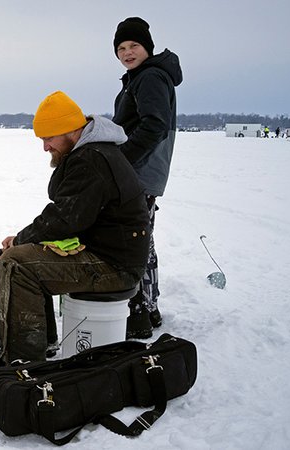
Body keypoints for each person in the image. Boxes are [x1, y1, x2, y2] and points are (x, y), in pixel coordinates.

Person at [0, 91, 150, 380]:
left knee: (17, 264)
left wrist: (20, 241)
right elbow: (70, 216)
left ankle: (22, 361)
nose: (45, 147)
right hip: (109, 255)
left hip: (115, 266)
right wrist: (28, 238)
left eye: (49, 138)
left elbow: (64, 218)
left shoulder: (91, 159)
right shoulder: (92, 151)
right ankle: (44, 343)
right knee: (28, 255)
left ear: (71, 130)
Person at [112, 17, 182, 339]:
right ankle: (148, 309)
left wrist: (121, 162)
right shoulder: (139, 78)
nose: (127, 52)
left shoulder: (150, 77)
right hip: (144, 174)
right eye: (121, 48)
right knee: (144, 242)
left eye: (134, 46)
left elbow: (154, 125)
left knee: (133, 244)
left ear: (147, 47)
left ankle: (137, 314)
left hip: (139, 174)